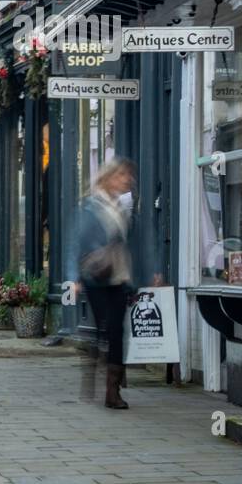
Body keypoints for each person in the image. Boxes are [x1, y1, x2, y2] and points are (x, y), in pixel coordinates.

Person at [75, 158, 138, 410]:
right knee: (103, 328)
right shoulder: (91, 207)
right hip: (96, 276)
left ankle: (112, 392)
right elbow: (78, 241)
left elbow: (136, 241)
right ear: (109, 177)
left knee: (116, 331)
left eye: (127, 176)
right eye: (122, 175)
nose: (126, 180)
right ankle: (92, 368)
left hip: (120, 276)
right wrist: (75, 276)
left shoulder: (125, 206)